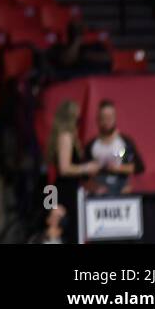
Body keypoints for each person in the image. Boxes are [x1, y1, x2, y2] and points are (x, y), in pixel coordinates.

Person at [47, 99, 101, 242]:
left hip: (66, 189)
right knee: (69, 231)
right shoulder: (65, 136)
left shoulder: (63, 136)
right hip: (66, 191)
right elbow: (65, 168)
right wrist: (86, 168)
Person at [84, 100, 145, 196]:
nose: (107, 121)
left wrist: (118, 168)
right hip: (99, 193)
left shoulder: (124, 143)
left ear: (115, 118)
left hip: (121, 190)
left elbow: (138, 166)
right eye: (104, 118)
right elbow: (83, 175)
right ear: (98, 119)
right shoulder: (91, 145)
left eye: (110, 117)